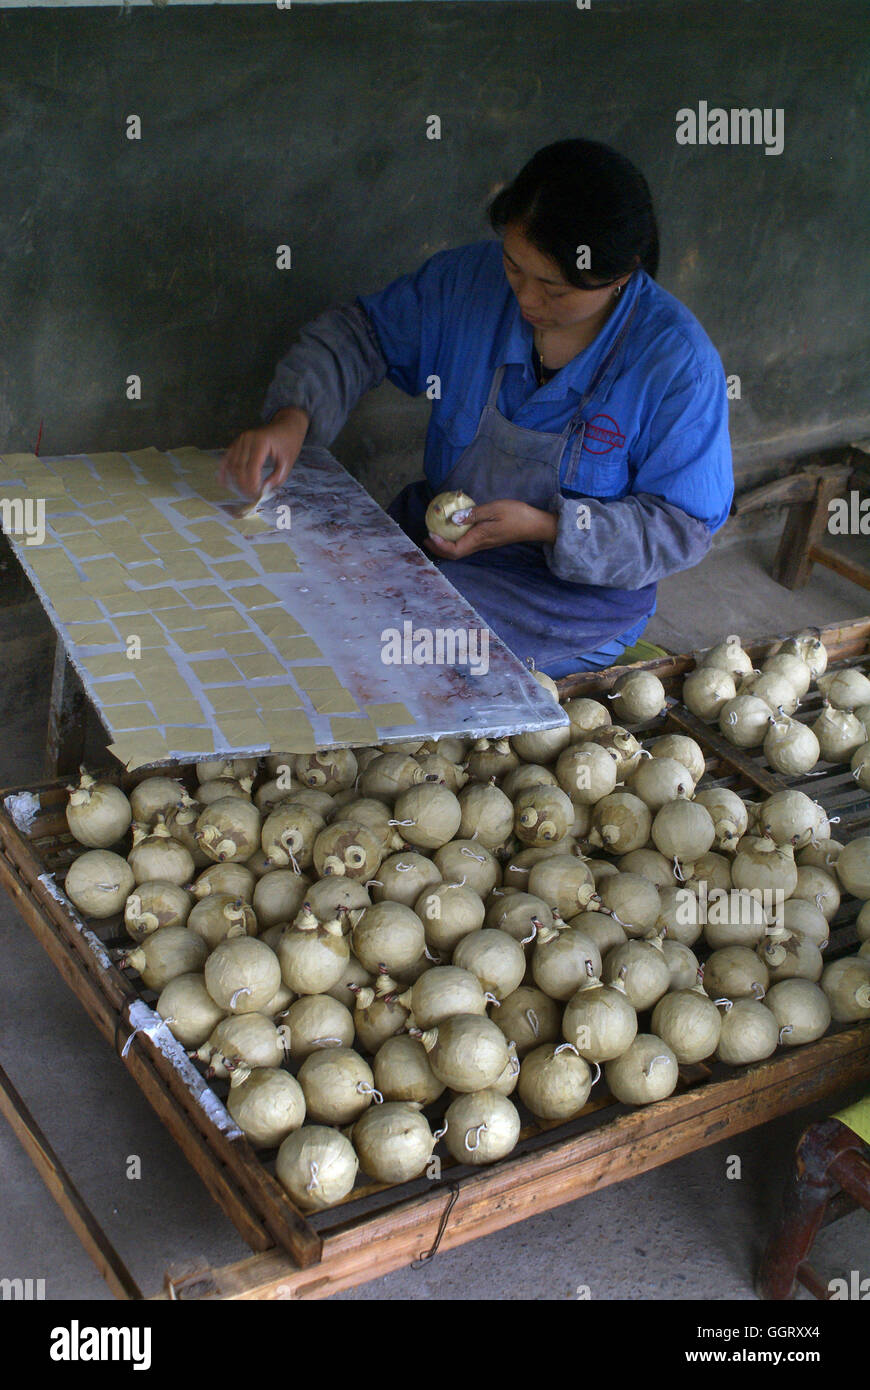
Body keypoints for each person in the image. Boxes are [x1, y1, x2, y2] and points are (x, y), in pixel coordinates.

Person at [222, 139, 734, 677]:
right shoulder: (467, 283)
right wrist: (292, 418)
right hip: (436, 542)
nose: (527, 300)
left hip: (565, 602)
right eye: (515, 268)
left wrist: (547, 527)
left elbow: (680, 528)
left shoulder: (677, 363)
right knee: (289, 586)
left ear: (621, 273)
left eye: (554, 290)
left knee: (388, 655)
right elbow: (360, 335)